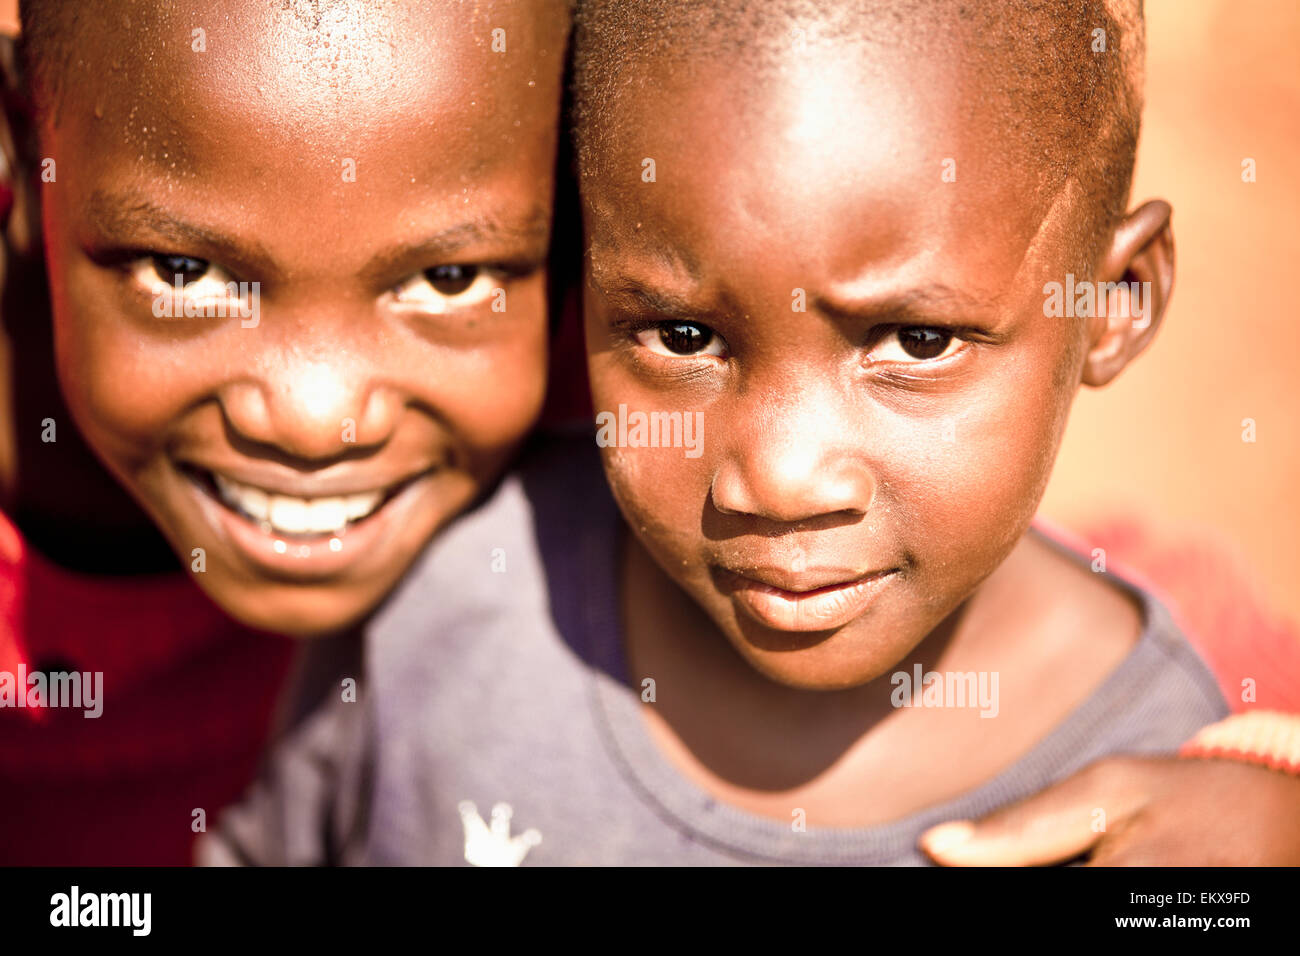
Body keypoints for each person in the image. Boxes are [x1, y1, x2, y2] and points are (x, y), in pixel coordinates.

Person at [202, 0, 1300, 867]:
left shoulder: (1176, 802)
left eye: (913, 340)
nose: (774, 478)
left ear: (1111, 303)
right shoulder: (461, 588)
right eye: (681, 333)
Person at [0, 0, 569, 864]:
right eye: (187, 272)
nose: (315, 423)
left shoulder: (642, 409)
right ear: (25, 142)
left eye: (449, 279)